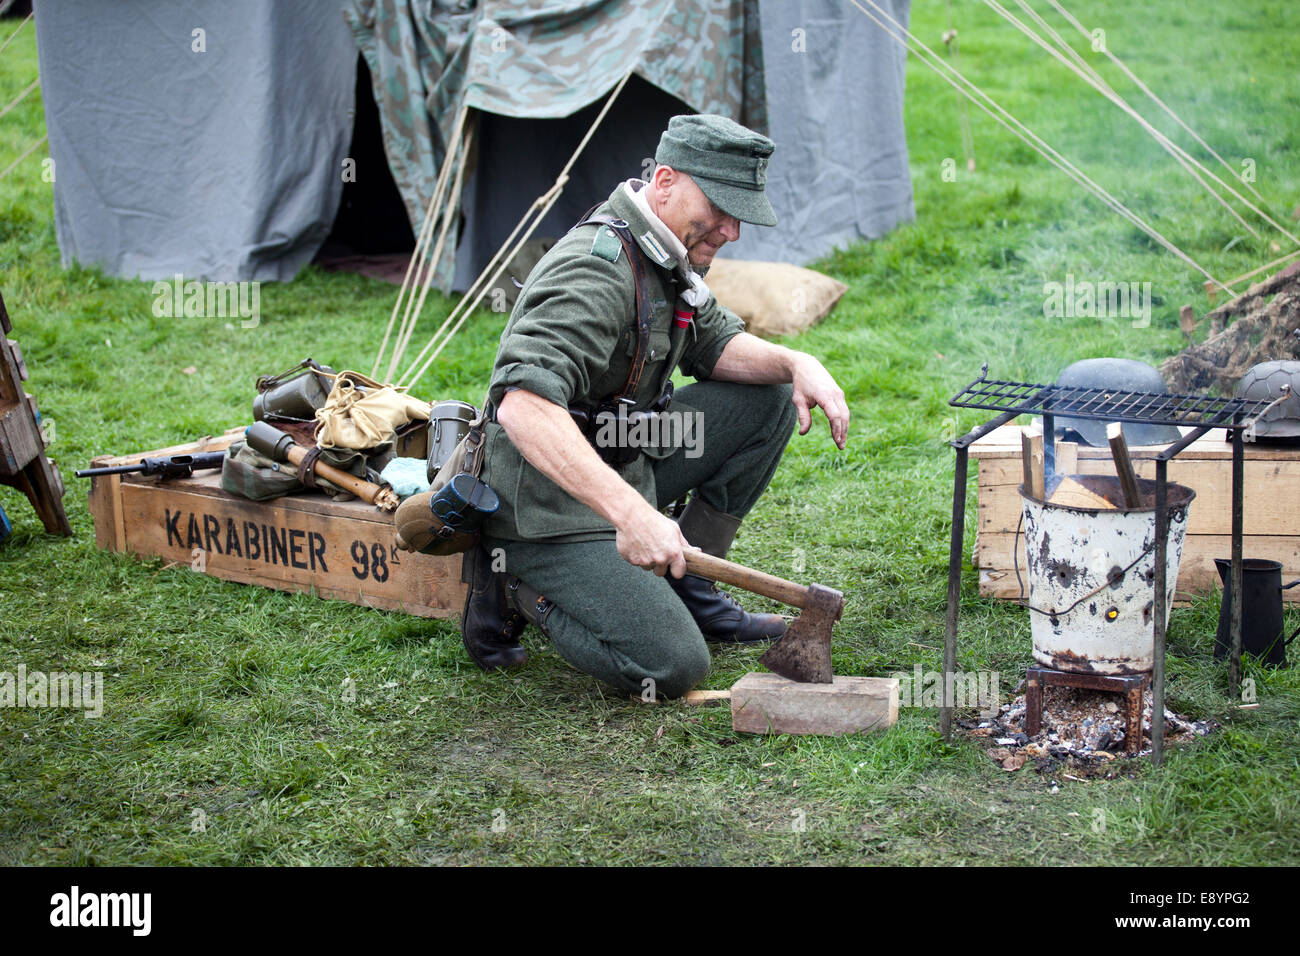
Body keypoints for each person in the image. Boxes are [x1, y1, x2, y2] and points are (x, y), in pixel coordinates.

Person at [460, 114, 849, 699]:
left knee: (768, 397)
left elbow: (715, 344)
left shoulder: (666, 251)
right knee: (672, 665)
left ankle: (690, 582)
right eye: (718, 207)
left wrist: (796, 364)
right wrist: (631, 515)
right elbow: (522, 407)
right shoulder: (596, 269)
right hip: (545, 503)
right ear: (664, 182)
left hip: (624, 459)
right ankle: (516, 586)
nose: (731, 231)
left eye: (739, 214)